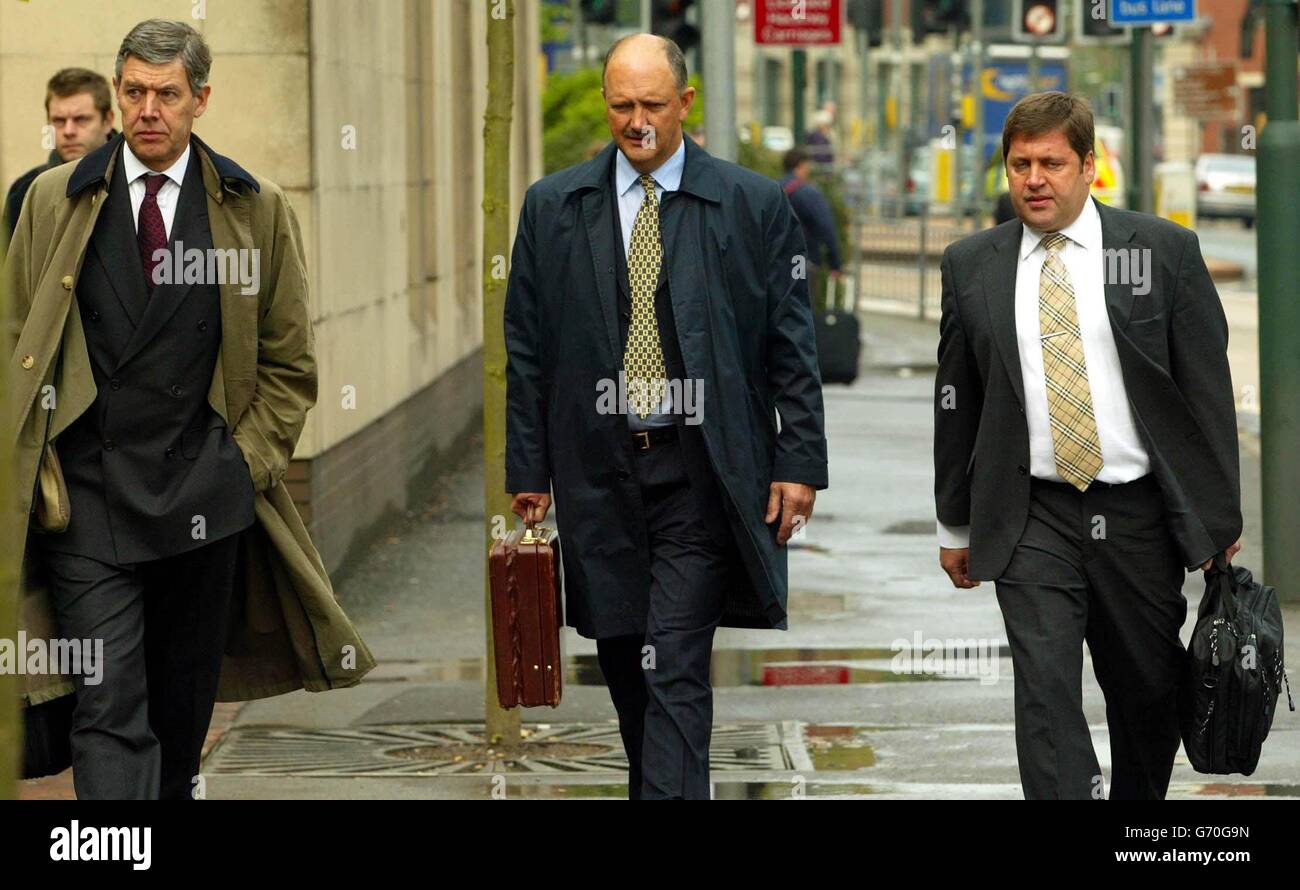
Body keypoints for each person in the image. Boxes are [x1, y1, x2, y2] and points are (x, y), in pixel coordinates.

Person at [5, 18, 374, 800]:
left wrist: (242, 467)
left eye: (166, 94)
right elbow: (12, 339)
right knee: (107, 710)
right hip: (87, 504)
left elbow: (288, 362)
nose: (148, 110)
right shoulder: (52, 201)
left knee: (179, 716)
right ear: (117, 95)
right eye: (133, 92)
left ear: (200, 99)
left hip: (203, 505)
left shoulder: (253, 207)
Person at [505, 33, 828, 800]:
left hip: (700, 472)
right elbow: (526, 348)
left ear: (685, 104)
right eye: (622, 105)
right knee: (626, 660)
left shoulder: (749, 205)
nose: (636, 121)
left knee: (675, 659)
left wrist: (799, 462)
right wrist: (528, 471)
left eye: (652, 105)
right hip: (597, 472)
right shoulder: (555, 207)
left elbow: (792, 340)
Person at [933, 91, 1241, 800]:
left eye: (1051, 163)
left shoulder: (1162, 252)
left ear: (1089, 166)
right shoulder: (972, 265)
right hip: (1030, 511)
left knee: (1146, 688)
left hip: (1137, 516)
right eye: (1019, 164)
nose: (1034, 179)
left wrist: (1217, 519)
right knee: (1043, 691)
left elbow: (1207, 398)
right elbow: (958, 405)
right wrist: (955, 521)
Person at [4, 68, 118, 242]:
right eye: (59, 121)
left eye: (81, 119)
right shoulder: (25, 190)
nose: (68, 131)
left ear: (108, 121)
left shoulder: (132, 181)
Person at [781, 146, 842, 308]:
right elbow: (826, 227)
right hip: (801, 261)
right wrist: (834, 262)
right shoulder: (807, 192)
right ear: (801, 165)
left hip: (776, 261)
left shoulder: (773, 188)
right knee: (800, 308)